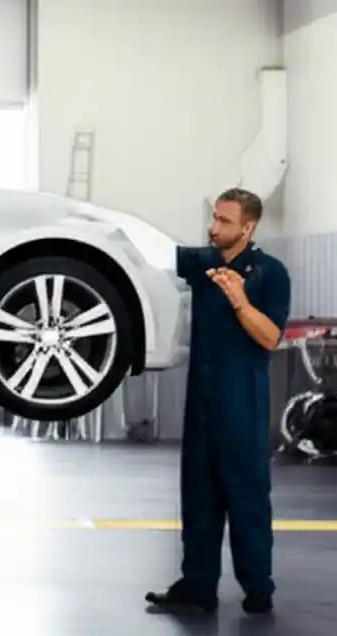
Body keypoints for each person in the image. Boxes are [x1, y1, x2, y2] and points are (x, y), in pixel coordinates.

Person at [146, 187, 291, 616]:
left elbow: (270, 337)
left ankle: (258, 589)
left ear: (248, 226)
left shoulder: (270, 272)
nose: (214, 227)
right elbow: (153, 256)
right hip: (202, 406)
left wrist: (239, 300)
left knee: (246, 497)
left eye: (225, 222)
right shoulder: (203, 263)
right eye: (214, 218)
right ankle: (198, 587)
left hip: (243, 407)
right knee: (198, 496)